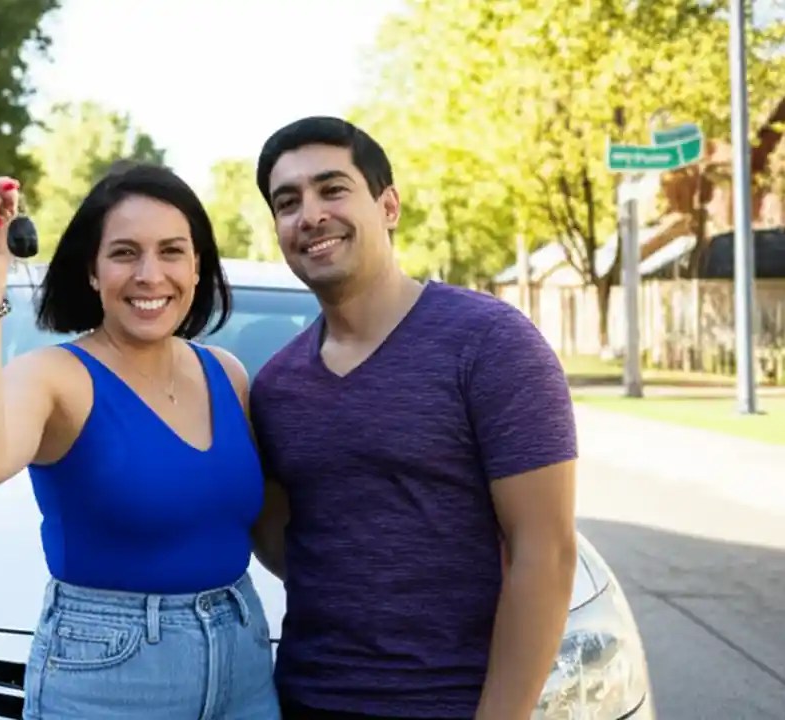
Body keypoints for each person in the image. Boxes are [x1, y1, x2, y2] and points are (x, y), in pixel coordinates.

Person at [248, 116, 579, 720]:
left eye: (333, 189)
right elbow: (283, 538)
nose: (311, 214)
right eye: (287, 201)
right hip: (303, 698)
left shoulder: (491, 343)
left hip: (454, 703)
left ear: (389, 205)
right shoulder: (276, 385)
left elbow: (547, 550)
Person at [0, 162, 281, 719]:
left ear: (197, 267)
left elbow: (277, 534)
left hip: (243, 657)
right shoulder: (55, 376)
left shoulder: (228, 373)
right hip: (110, 676)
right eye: (124, 253)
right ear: (93, 272)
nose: (150, 274)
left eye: (172, 251)